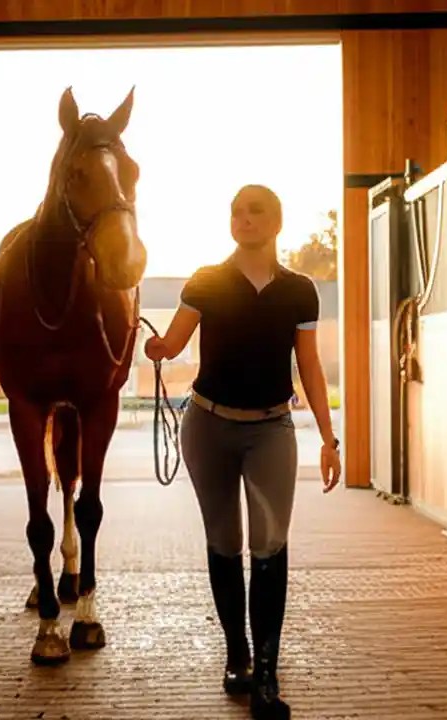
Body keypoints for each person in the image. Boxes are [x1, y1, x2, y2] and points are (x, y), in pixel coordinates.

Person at [144, 184, 342, 720]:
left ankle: (268, 676)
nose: (244, 219)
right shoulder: (206, 280)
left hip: (271, 430)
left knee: (270, 544)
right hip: (207, 427)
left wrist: (329, 438)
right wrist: (155, 346)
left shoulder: (300, 291)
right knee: (225, 542)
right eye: (236, 212)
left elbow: (311, 367)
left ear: (276, 222)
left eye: (255, 212)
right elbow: (176, 342)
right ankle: (238, 657)